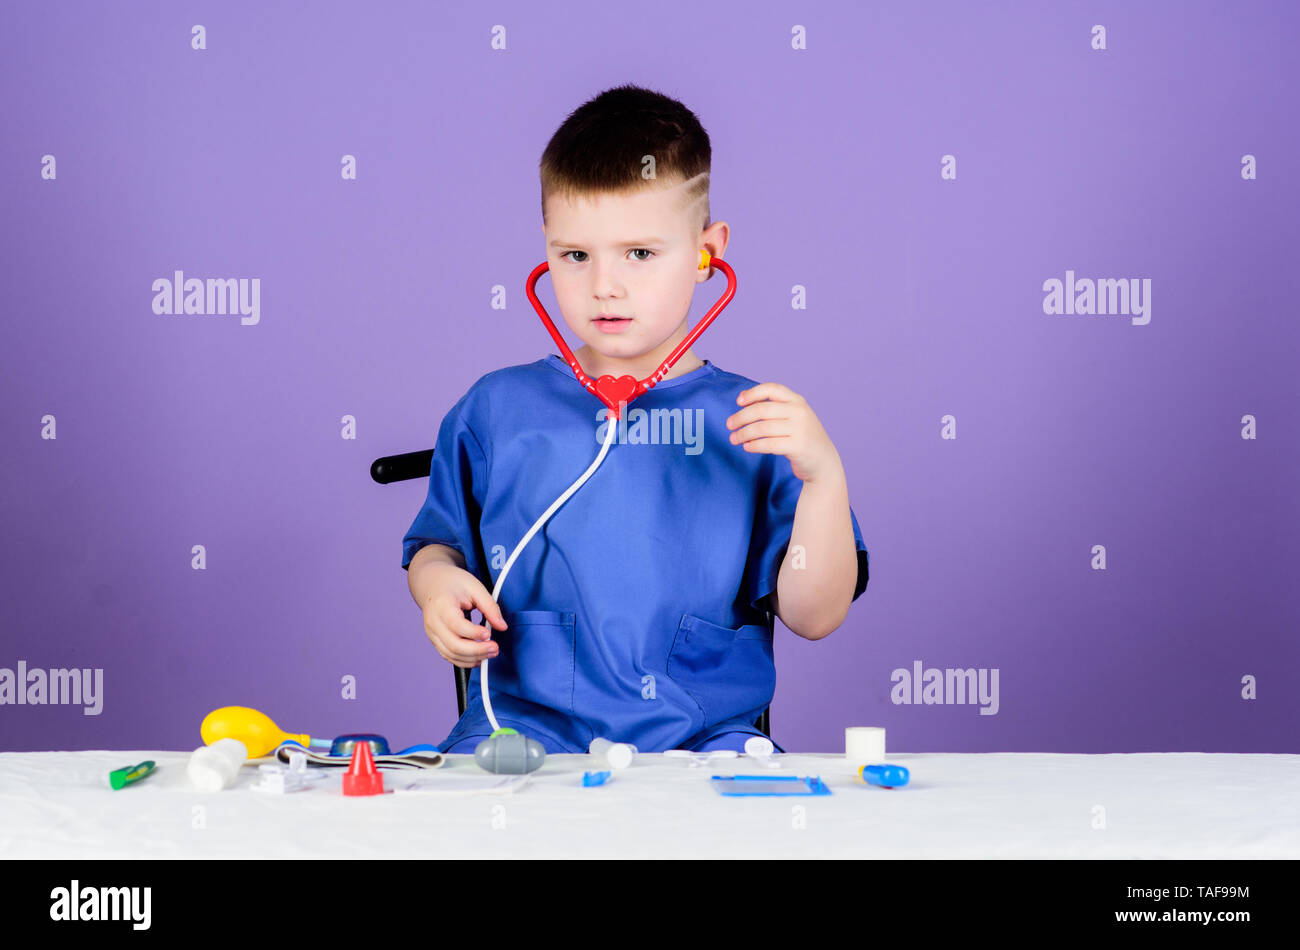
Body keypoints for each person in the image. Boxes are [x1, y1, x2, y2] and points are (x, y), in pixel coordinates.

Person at [403, 84, 869, 755]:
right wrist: (437, 586)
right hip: (522, 736)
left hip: (699, 744)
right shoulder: (496, 410)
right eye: (576, 255)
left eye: (640, 253)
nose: (605, 286)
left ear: (708, 252)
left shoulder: (754, 424)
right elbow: (436, 545)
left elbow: (816, 615)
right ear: (546, 247)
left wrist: (824, 480)